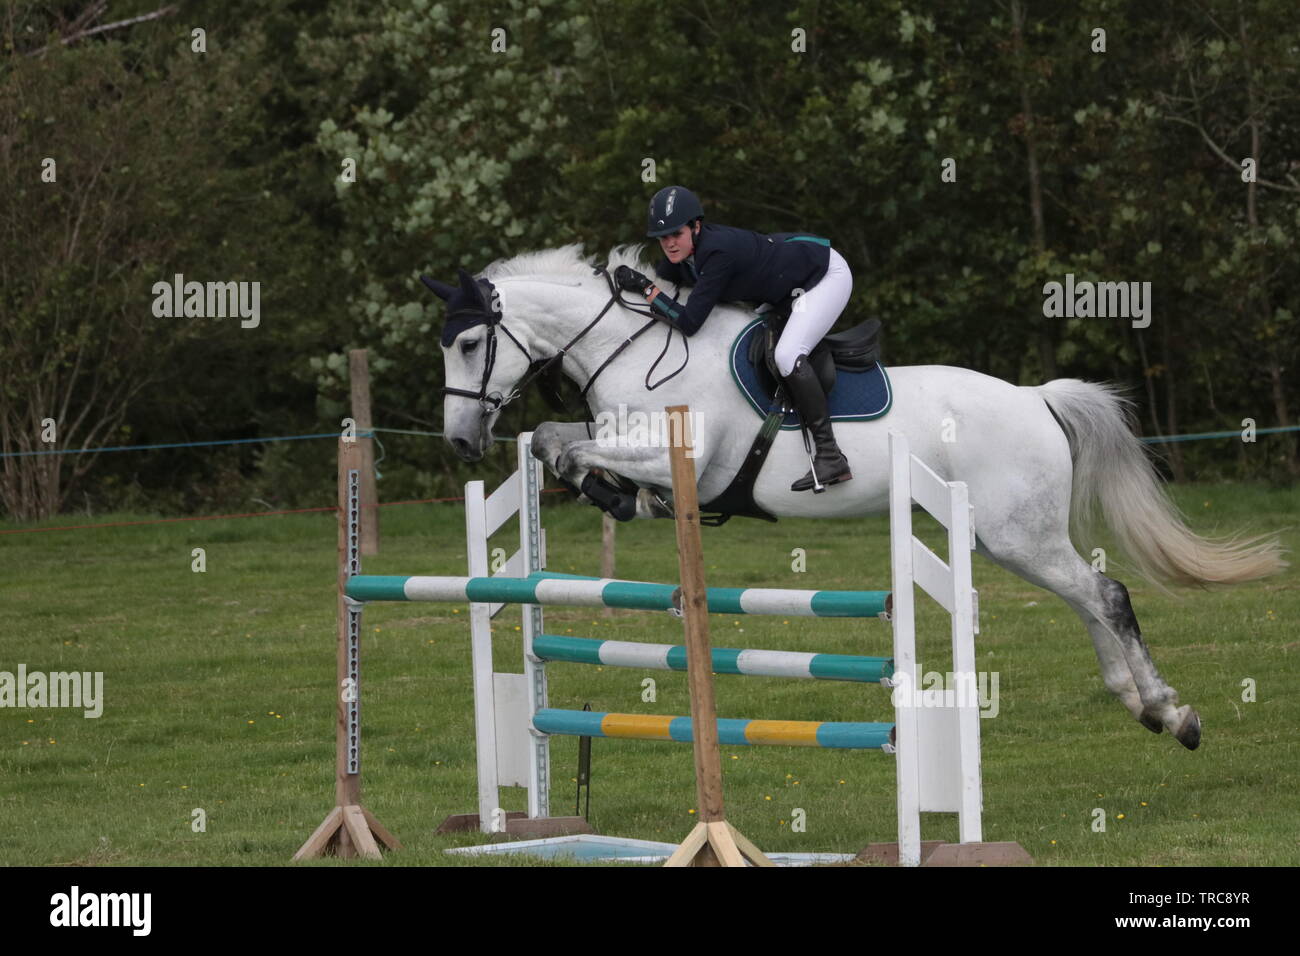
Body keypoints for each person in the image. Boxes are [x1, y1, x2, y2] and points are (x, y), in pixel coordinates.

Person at [613, 185, 854, 492]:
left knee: (786, 355)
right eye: (663, 238)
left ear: (695, 226)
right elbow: (665, 292)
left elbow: (688, 322)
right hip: (782, 287)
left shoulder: (717, 252)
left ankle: (831, 455)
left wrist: (647, 289)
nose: (670, 244)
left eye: (676, 234)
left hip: (823, 275)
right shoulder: (680, 259)